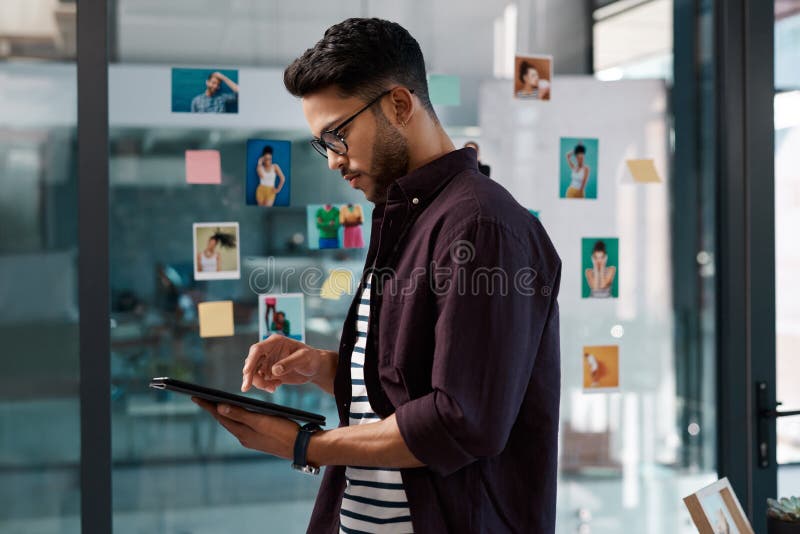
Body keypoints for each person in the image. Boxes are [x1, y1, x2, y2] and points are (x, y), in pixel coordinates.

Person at [193, 18, 561, 533]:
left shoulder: (482, 225)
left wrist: (302, 443)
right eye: (324, 144)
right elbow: (412, 390)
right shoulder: (407, 216)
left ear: (399, 106)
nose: (333, 161)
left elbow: (462, 421)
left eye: (337, 135)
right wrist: (323, 367)